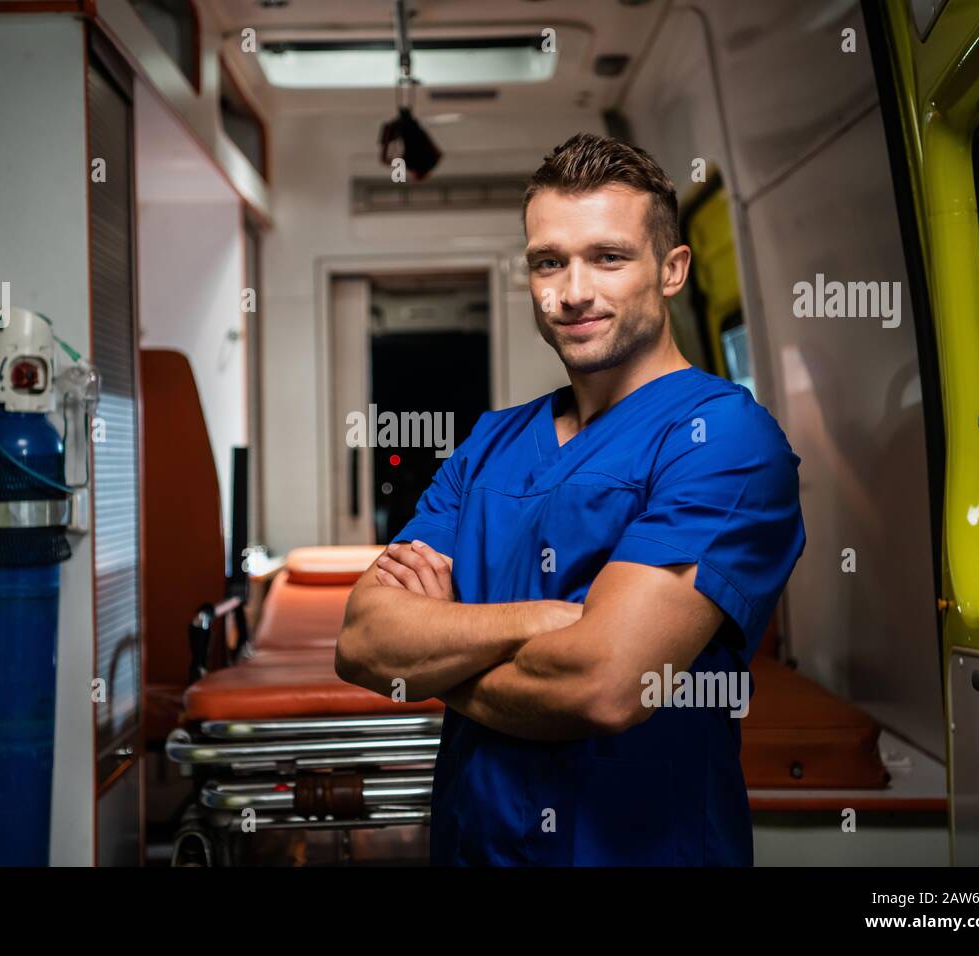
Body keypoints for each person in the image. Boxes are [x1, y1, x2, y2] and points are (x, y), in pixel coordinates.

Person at [335, 133, 806, 865]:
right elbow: (364, 642)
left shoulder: (725, 439)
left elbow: (605, 685)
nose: (572, 290)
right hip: (474, 847)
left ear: (673, 269)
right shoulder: (490, 443)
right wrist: (548, 621)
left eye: (608, 258)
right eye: (548, 262)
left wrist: (442, 652)